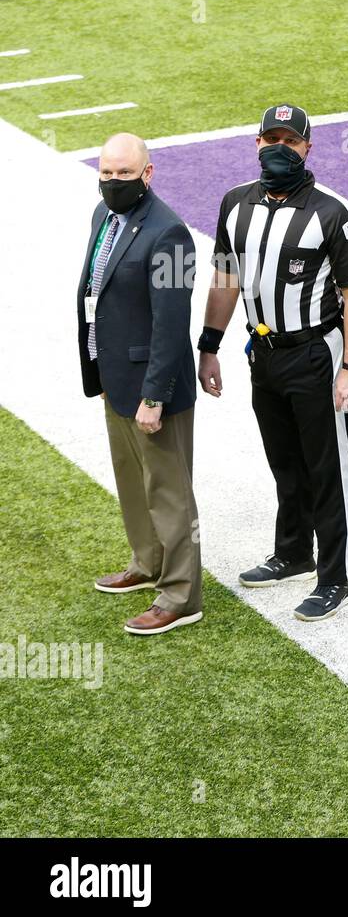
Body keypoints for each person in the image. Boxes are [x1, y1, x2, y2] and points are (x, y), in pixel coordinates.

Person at [197, 104, 348, 622]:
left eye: (290, 140)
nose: (279, 148)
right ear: (256, 143)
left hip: (318, 352)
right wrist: (209, 345)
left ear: (307, 147)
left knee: (328, 466)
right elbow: (227, 280)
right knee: (285, 461)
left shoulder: (333, 210)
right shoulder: (235, 205)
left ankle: (338, 576)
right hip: (264, 353)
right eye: (270, 138)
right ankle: (294, 551)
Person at [78, 133, 202, 636]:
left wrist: (155, 395)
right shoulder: (102, 216)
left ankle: (180, 595)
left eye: (124, 174)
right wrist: (100, 371)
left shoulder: (170, 232)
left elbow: (171, 325)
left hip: (154, 388)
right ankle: (146, 562)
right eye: (107, 172)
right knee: (133, 482)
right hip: (115, 377)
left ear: (147, 174)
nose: (113, 182)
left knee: (169, 493)